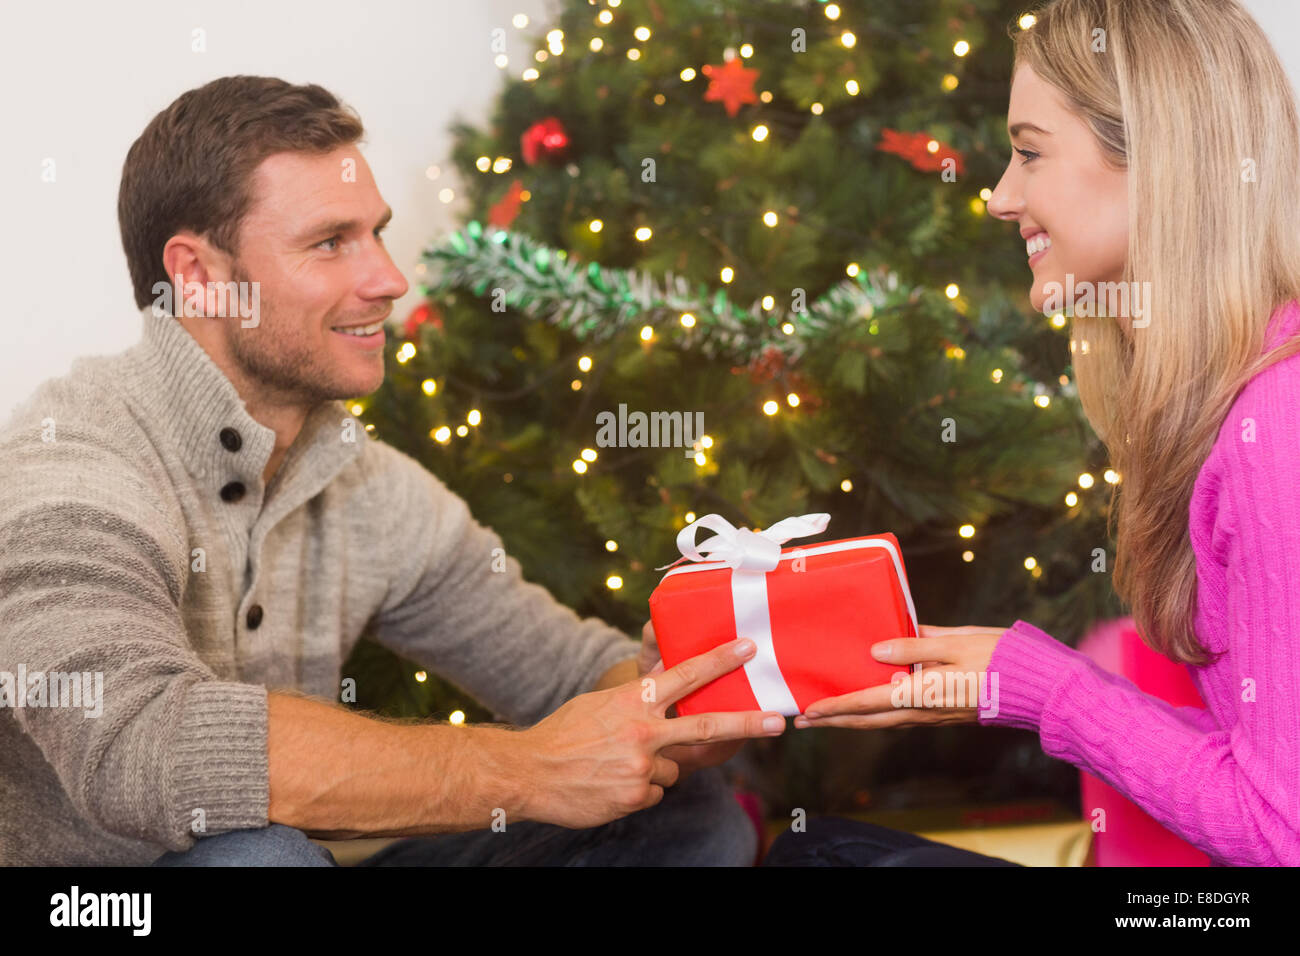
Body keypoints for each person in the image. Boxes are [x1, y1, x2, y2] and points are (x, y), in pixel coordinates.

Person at [0, 75, 787, 867]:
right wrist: (527, 770)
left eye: (376, 233)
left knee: (685, 815)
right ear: (199, 275)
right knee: (253, 859)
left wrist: (693, 687)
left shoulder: (361, 481)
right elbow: (146, 745)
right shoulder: (70, 464)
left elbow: (567, 672)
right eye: (330, 242)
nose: (388, 279)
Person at [767, 0, 1300, 867]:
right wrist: (1007, 681)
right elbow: (1263, 761)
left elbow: (1284, 833)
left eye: (1029, 151)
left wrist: (1048, 688)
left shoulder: (1277, 419)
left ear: (1157, 160)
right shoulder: (1234, 395)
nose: (999, 196)